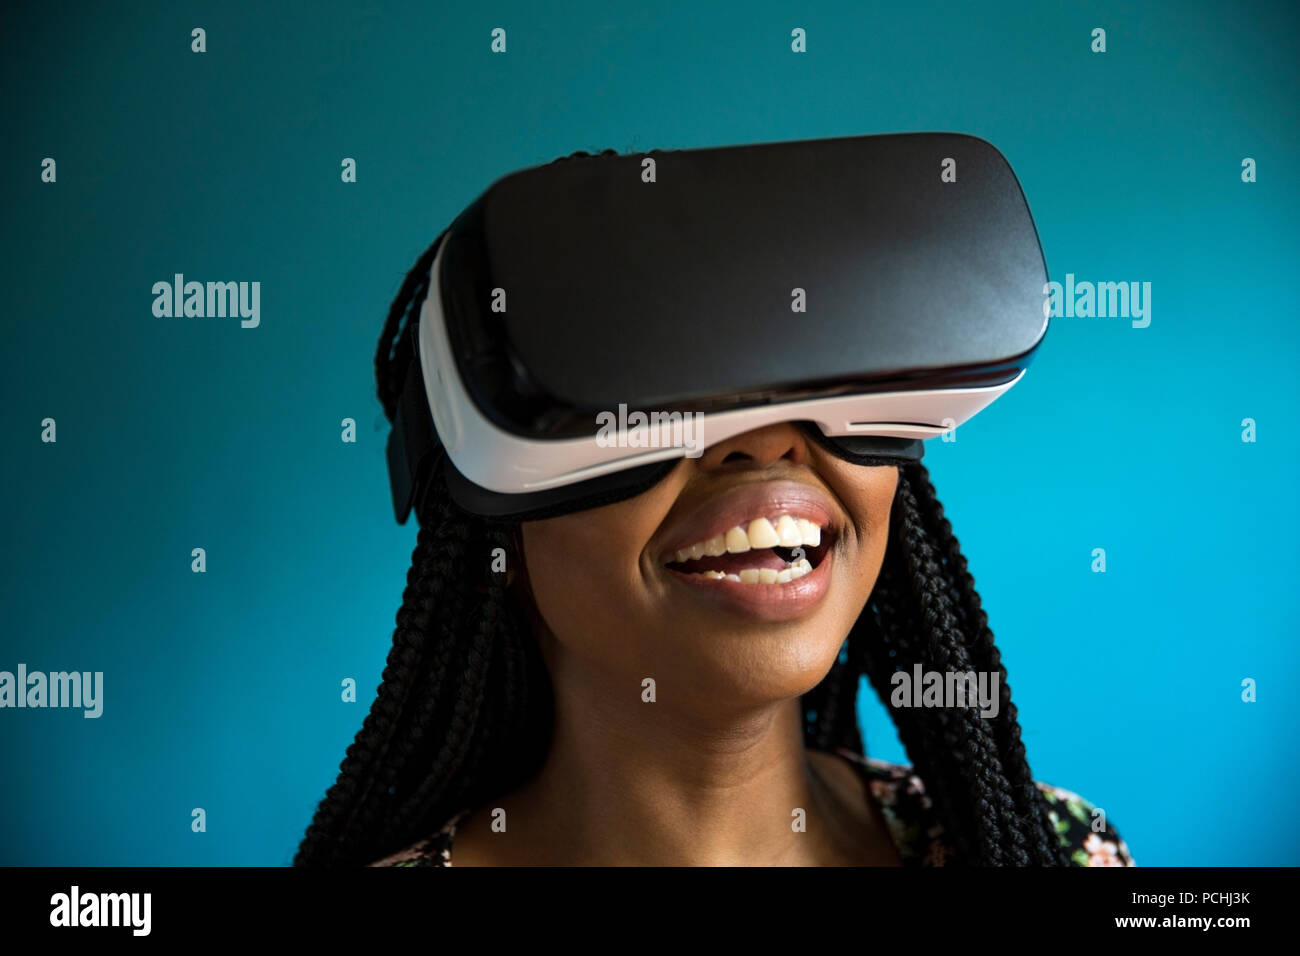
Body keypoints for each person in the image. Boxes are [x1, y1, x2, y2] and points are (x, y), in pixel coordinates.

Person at [294, 151, 1137, 869]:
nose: (766, 440)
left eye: (827, 374)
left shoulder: (1050, 852)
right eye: (647, 395)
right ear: (496, 522)